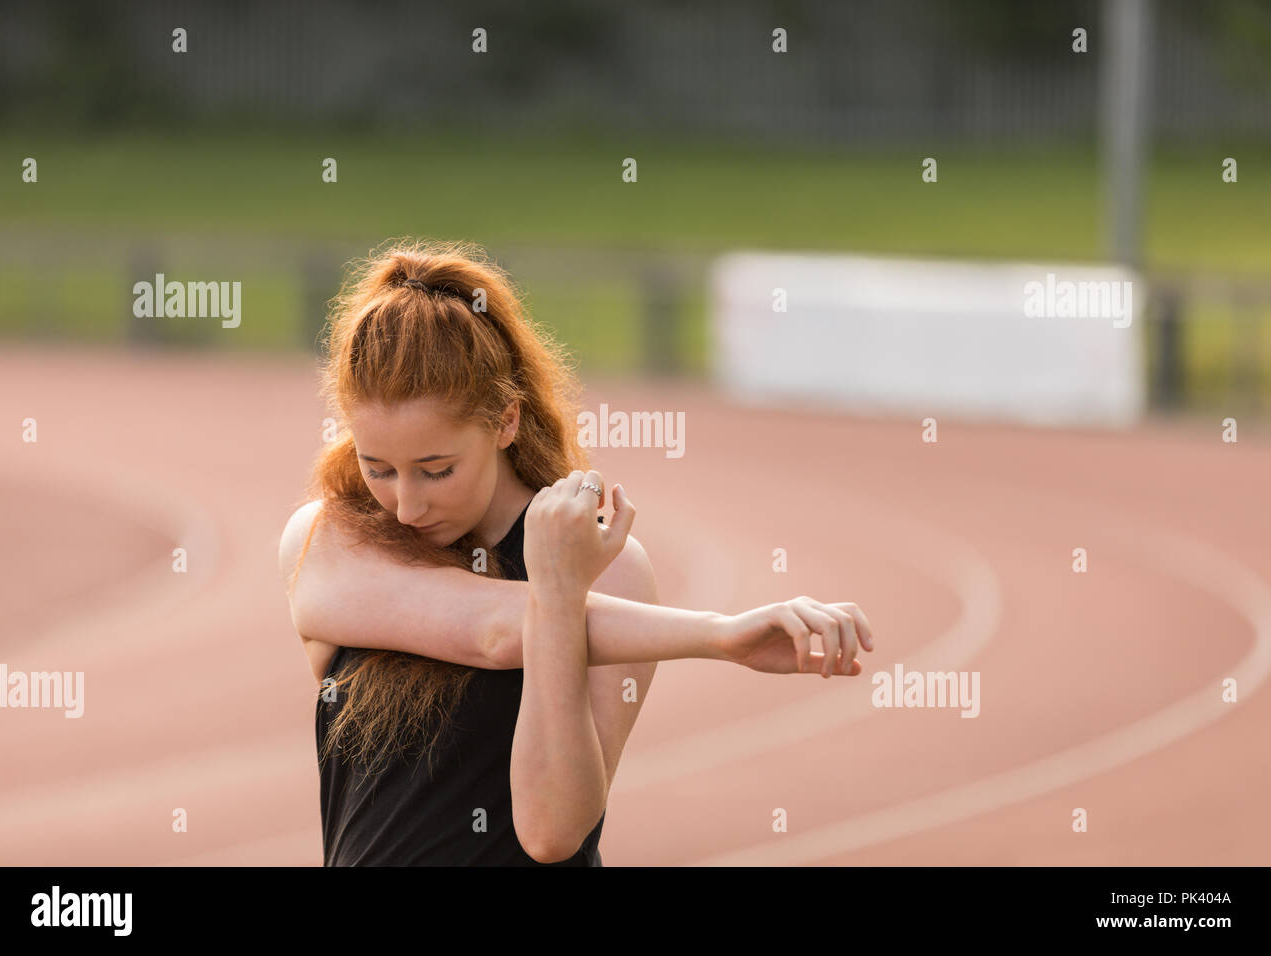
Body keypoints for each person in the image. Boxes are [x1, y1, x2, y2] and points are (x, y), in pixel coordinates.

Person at [277, 237, 874, 866]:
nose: (406, 506)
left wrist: (563, 590)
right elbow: (490, 632)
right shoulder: (326, 541)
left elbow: (553, 831)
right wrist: (719, 635)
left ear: (505, 420)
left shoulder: (612, 567)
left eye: (436, 470)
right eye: (379, 468)